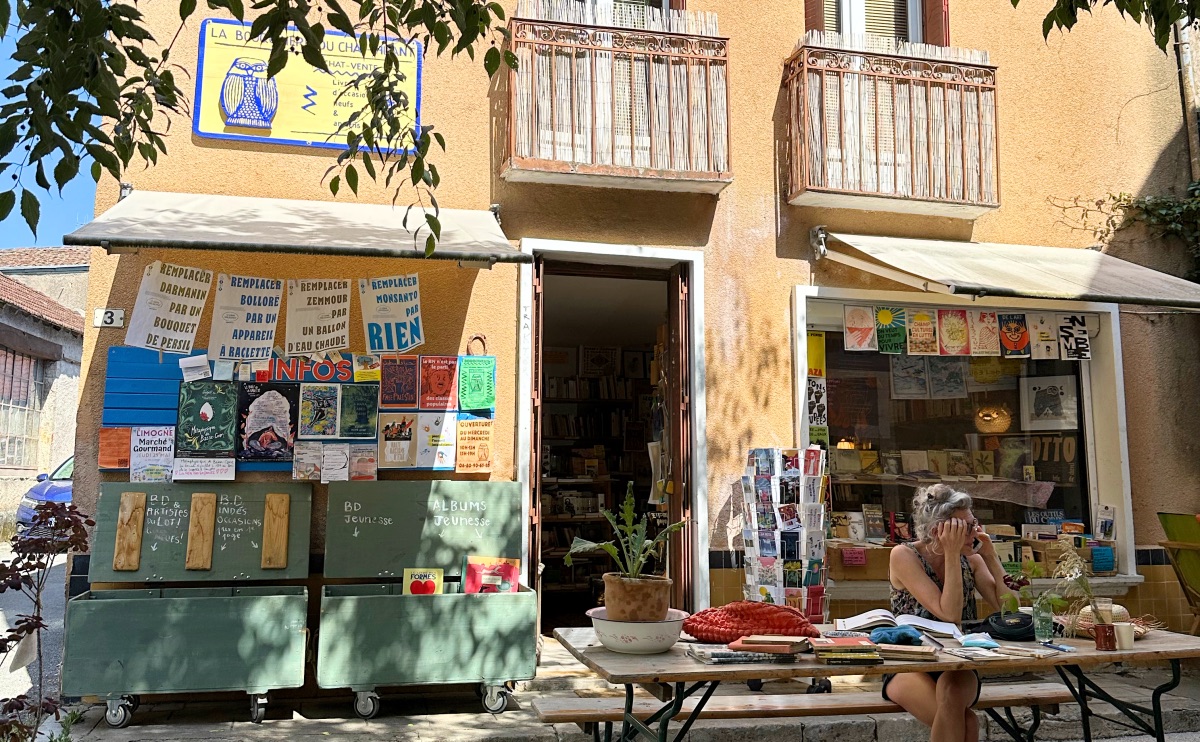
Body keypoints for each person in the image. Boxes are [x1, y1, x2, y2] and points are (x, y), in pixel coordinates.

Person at [884, 484, 1012, 742]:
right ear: (937, 531)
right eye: (964, 527)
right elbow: (949, 613)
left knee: (954, 696)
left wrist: (991, 557)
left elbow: (1010, 611)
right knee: (967, 722)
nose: (974, 532)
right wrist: (952, 553)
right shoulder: (904, 555)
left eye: (974, 522)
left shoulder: (972, 560)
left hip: (958, 661)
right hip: (909, 663)